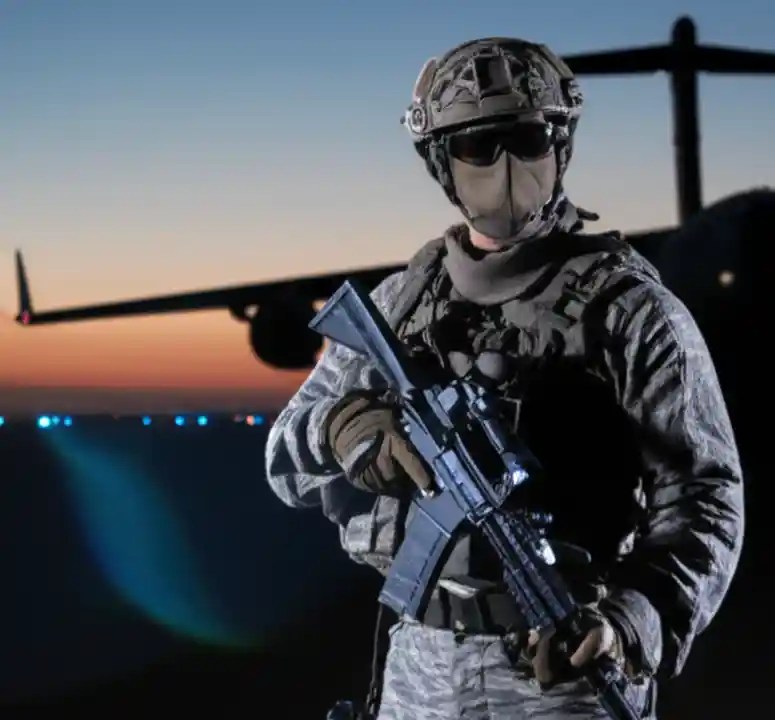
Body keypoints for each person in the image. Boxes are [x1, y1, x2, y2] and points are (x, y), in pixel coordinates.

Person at [264, 37, 745, 720]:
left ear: (561, 145)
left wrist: (629, 621)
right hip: (422, 668)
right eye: (477, 148)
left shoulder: (633, 311)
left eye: (526, 139)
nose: (507, 167)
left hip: (566, 666)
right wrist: (344, 427)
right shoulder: (401, 304)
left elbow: (706, 496)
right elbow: (284, 459)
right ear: (441, 163)